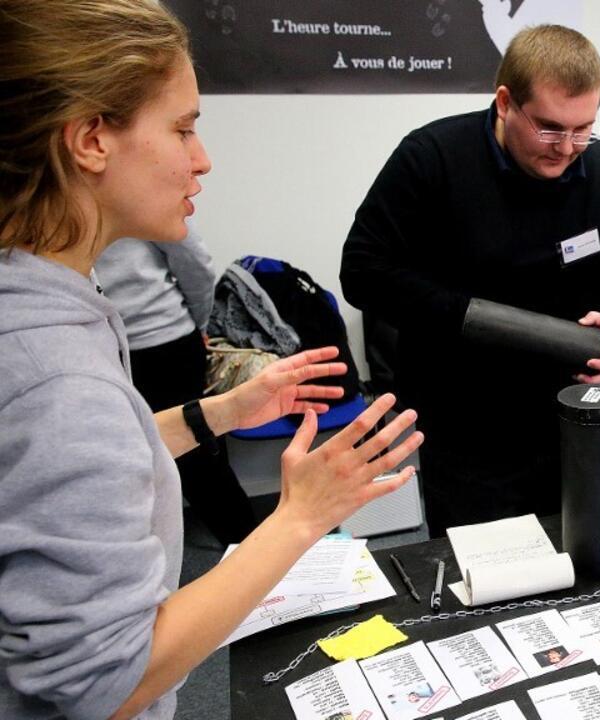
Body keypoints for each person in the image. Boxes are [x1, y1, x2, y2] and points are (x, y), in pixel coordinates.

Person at [0, 2, 423, 718]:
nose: (202, 159)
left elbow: (75, 466)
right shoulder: (58, 378)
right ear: (91, 141)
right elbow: (108, 683)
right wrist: (300, 517)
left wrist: (217, 414)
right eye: (182, 128)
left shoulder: (44, 299)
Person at [341, 24, 600, 536]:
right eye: (550, 128)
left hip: (575, 419)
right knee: (483, 564)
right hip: (467, 427)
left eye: (583, 129)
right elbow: (363, 271)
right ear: (506, 102)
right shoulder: (432, 158)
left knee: (584, 556)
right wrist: (473, 317)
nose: (567, 148)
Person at [95, 227, 258, 546]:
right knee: (147, 458)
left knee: (200, 459)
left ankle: (250, 549)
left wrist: (200, 322)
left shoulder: (139, 203)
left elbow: (194, 262)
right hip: (110, 345)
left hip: (161, 343)